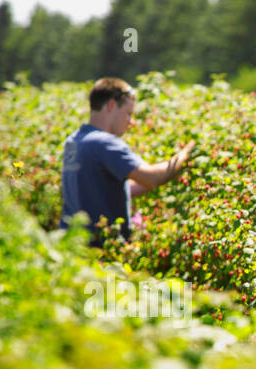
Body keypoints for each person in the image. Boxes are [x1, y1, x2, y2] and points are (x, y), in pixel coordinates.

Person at [59, 77, 195, 248]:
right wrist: (185, 155)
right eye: (128, 113)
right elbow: (151, 178)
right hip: (101, 252)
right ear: (111, 105)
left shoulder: (74, 142)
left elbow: (94, 190)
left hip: (73, 249)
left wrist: (155, 179)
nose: (132, 122)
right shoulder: (104, 143)